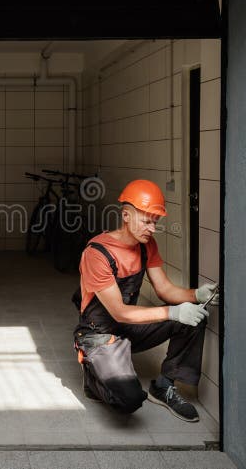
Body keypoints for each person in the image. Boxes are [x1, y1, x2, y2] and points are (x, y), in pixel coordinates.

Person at [73, 179, 219, 421]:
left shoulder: (146, 245)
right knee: (128, 399)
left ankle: (164, 385)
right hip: (98, 333)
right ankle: (93, 373)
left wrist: (196, 295)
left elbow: (164, 290)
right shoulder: (97, 254)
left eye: (155, 221)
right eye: (146, 220)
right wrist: (172, 313)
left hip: (129, 327)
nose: (152, 228)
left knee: (193, 317)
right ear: (127, 215)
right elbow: (119, 312)